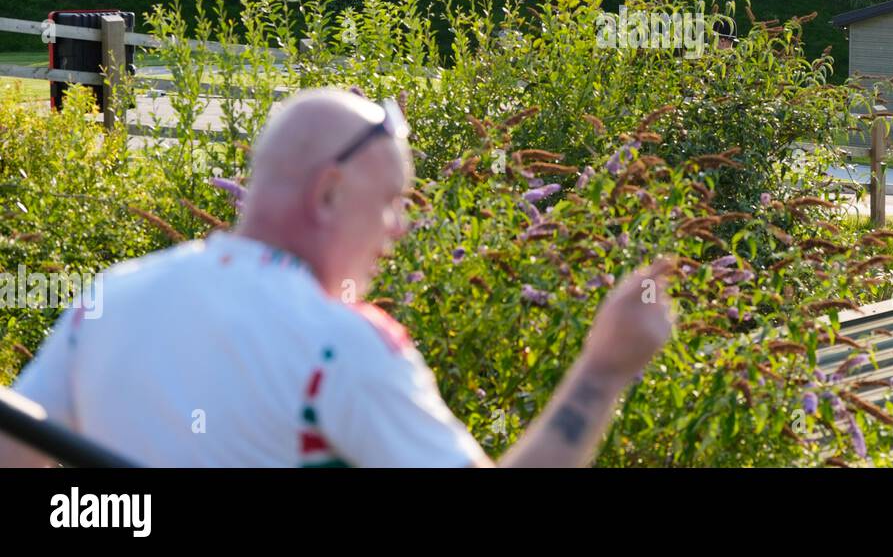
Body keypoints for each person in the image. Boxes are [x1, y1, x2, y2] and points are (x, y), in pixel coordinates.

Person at [0, 89, 674, 468]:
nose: (399, 229)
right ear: (327, 196)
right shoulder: (342, 348)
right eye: (390, 202)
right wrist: (604, 369)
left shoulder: (113, 296)